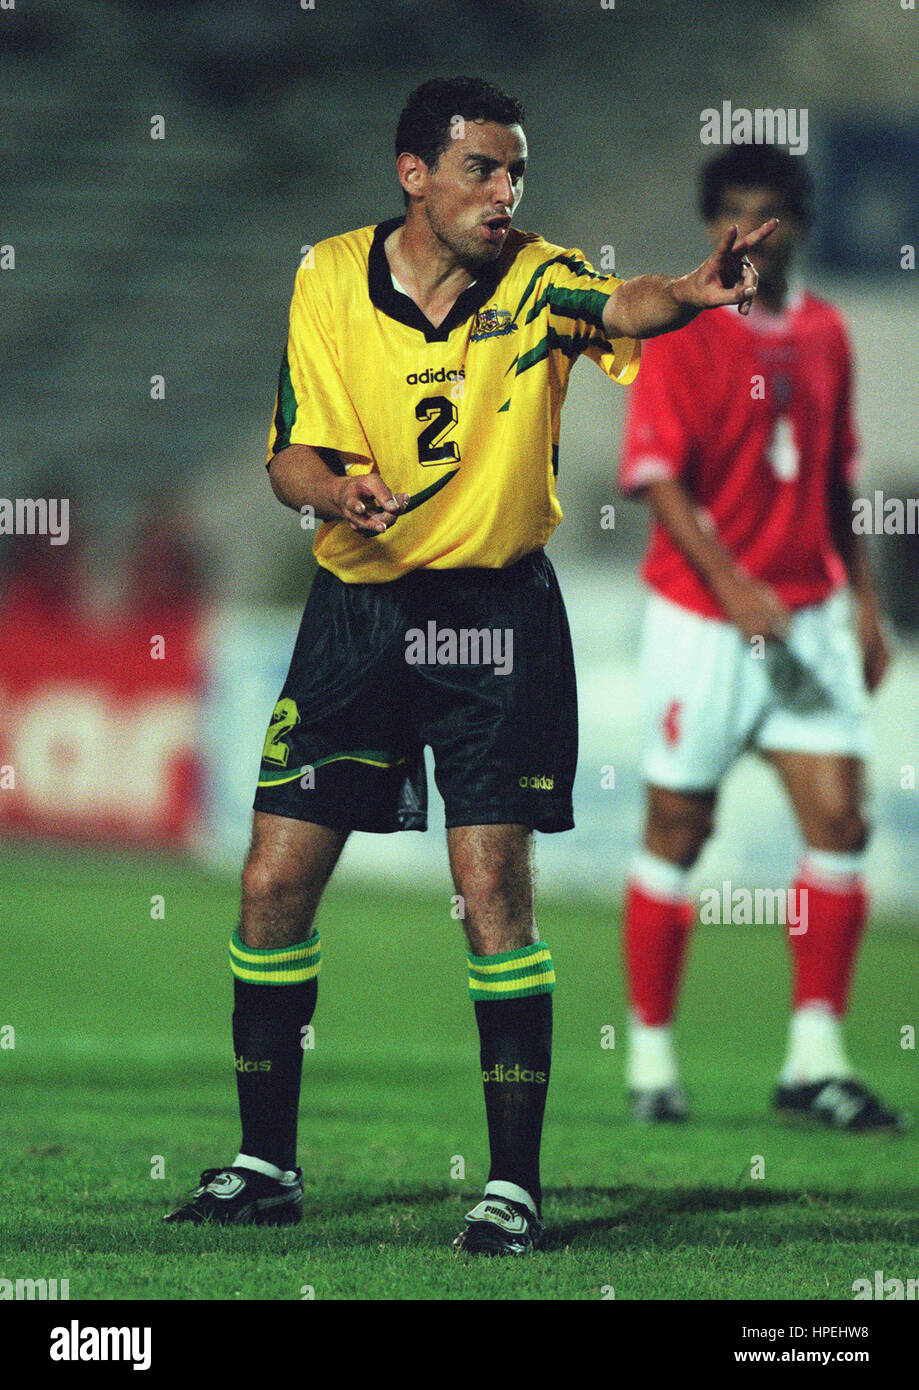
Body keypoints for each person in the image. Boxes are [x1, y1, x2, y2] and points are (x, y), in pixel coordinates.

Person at [165, 77, 774, 1252]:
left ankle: (510, 1186)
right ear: (414, 175)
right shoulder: (329, 275)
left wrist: (693, 293)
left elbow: (627, 300)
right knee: (269, 884)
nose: (506, 193)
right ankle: (263, 1160)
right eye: (483, 170)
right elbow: (288, 457)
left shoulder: (539, 279)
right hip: (357, 610)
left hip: (492, 618)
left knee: (491, 894)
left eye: (517, 173)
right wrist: (338, 487)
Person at [618, 144, 906, 1133]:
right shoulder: (682, 332)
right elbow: (658, 478)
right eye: (735, 213)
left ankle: (812, 1061)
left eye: (771, 213)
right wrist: (733, 585)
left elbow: (832, 478)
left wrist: (864, 605)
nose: (753, 232)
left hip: (808, 610)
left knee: (840, 822)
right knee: (678, 830)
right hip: (704, 618)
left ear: (798, 226)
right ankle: (651, 1056)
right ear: (711, 229)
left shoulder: (825, 333)